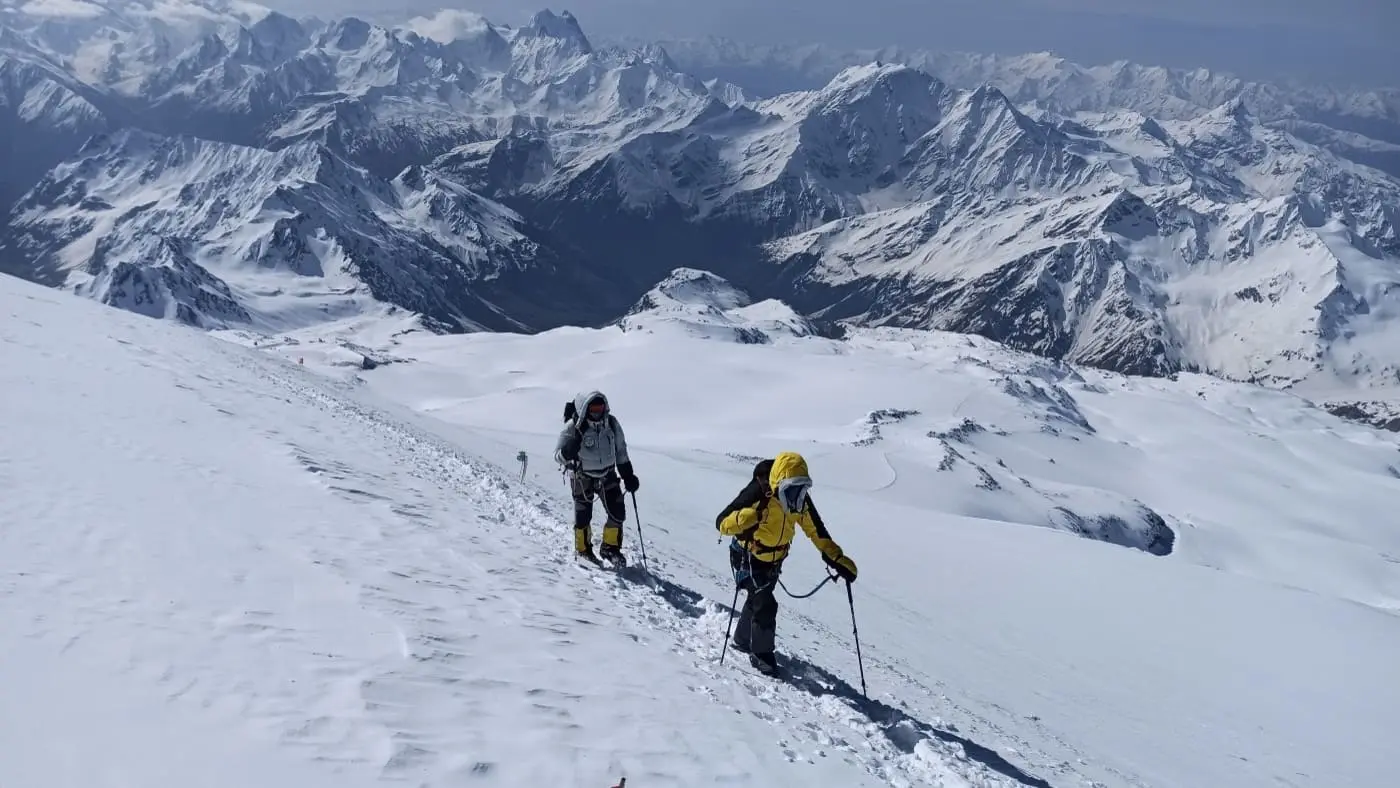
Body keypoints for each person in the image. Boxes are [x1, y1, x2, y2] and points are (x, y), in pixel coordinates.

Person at [715, 451, 857, 674]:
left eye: (802, 489)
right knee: (765, 603)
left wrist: (836, 558)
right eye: (792, 488)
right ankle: (761, 655)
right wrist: (745, 518)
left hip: (773, 561)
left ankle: (742, 640)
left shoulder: (798, 501)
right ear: (779, 483)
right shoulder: (759, 493)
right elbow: (722, 522)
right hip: (747, 558)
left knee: (758, 599)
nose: (797, 495)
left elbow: (817, 532)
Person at [555, 391, 639, 564]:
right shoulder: (572, 428)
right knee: (583, 516)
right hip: (581, 476)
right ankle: (583, 549)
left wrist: (628, 474)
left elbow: (621, 450)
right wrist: (568, 450)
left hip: (607, 474)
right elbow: (558, 456)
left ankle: (610, 548)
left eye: (599, 408)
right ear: (583, 408)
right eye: (592, 408)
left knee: (618, 513)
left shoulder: (612, 424)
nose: (597, 412)